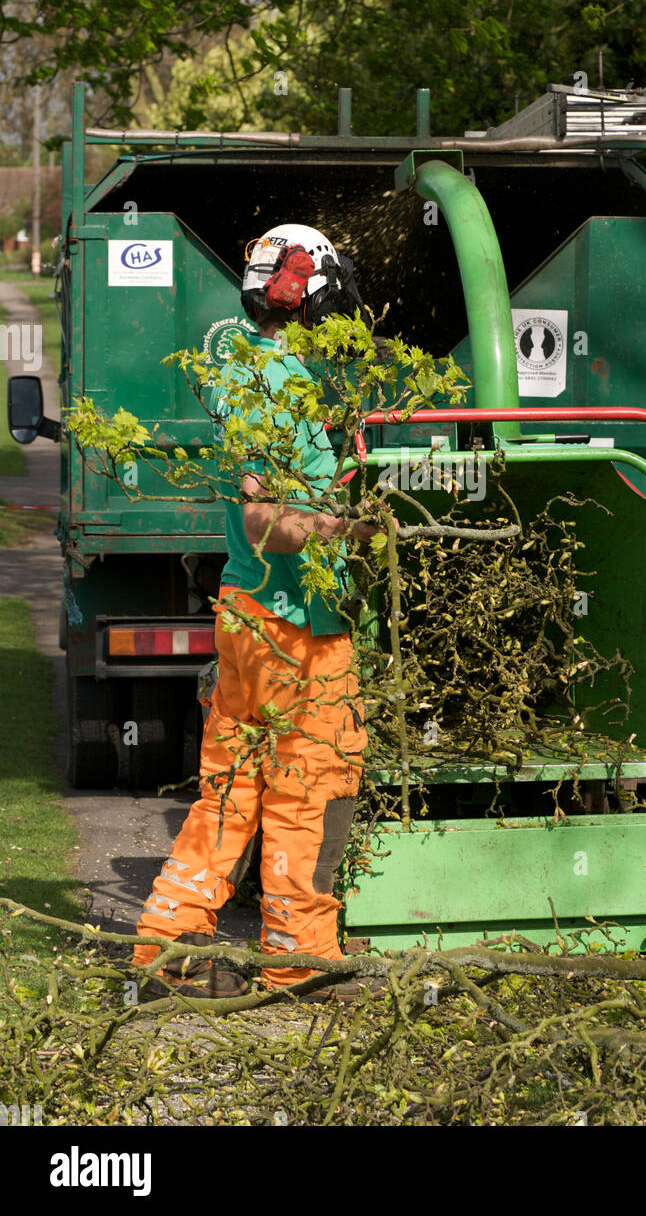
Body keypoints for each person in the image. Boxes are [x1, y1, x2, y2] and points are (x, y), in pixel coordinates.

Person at [133, 223, 386, 1001]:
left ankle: (172, 953)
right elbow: (263, 521)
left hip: (249, 616)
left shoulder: (239, 358)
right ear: (305, 290)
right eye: (331, 300)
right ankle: (298, 962)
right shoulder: (271, 382)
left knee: (234, 786)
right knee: (313, 783)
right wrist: (357, 529)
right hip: (294, 623)